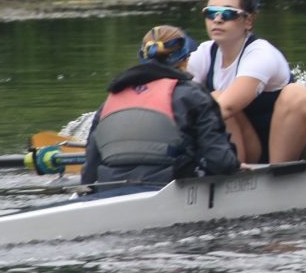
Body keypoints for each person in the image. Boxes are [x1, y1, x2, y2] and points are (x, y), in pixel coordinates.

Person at [80, 26, 241, 188]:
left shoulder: (109, 101)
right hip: (169, 186)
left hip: (109, 188)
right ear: (185, 60)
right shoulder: (193, 95)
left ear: (142, 57)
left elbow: (88, 176)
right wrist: (234, 164)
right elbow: (221, 162)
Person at [188, 0, 306, 164]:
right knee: (212, 99)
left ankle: (280, 174)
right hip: (254, 151)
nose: (217, 19)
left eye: (228, 13)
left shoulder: (261, 54)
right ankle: (232, 172)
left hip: (302, 149)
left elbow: (228, 107)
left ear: (248, 20)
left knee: (297, 93)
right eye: (210, 13)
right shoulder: (204, 54)